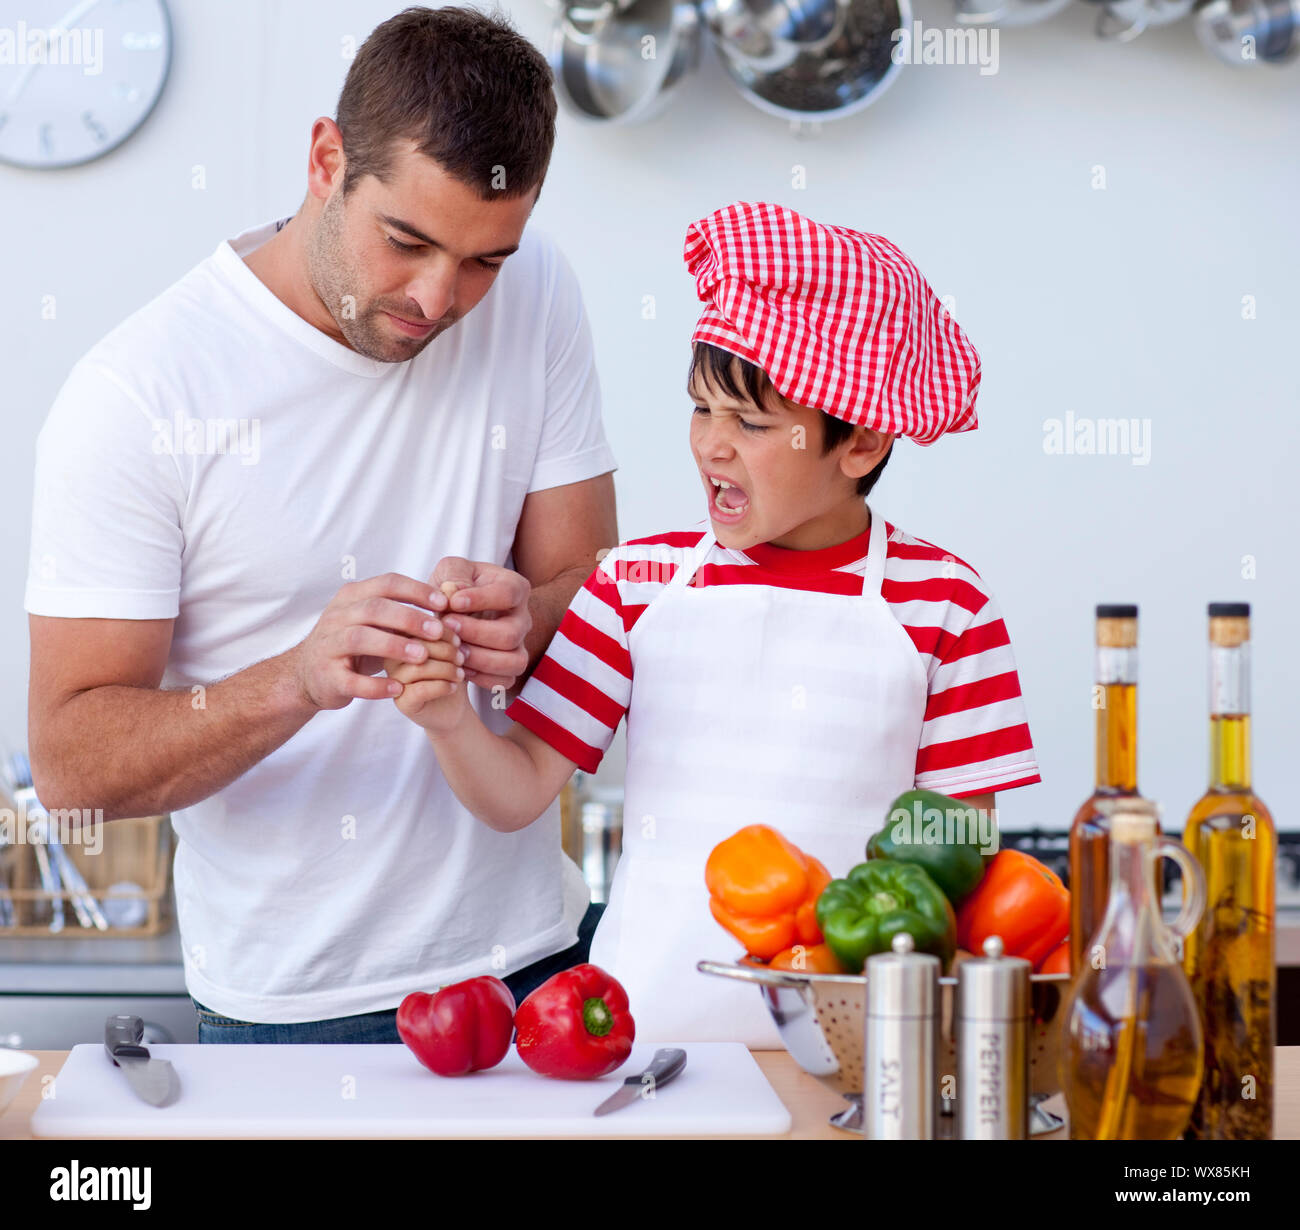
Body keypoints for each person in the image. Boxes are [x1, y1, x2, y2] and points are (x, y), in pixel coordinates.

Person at [24, 7, 617, 1043]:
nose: (441, 298)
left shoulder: (536, 289)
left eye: (484, 259)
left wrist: (530, 619)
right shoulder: (140, 394)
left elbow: (592, 582)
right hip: (297, 1009)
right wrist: (295, 678)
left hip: (540, 963)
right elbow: (73, 762)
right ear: (326, 159)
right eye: (407, 242)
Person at [386, 201, 1043, 1046]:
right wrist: (446, 721)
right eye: (702, 409)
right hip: (644, 1046)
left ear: (863, 442)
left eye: (752, 423)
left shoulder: (948, 606)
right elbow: (516, 794)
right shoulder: (637, 583)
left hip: (857, 1047)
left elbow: (960, 869)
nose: (712, 446)